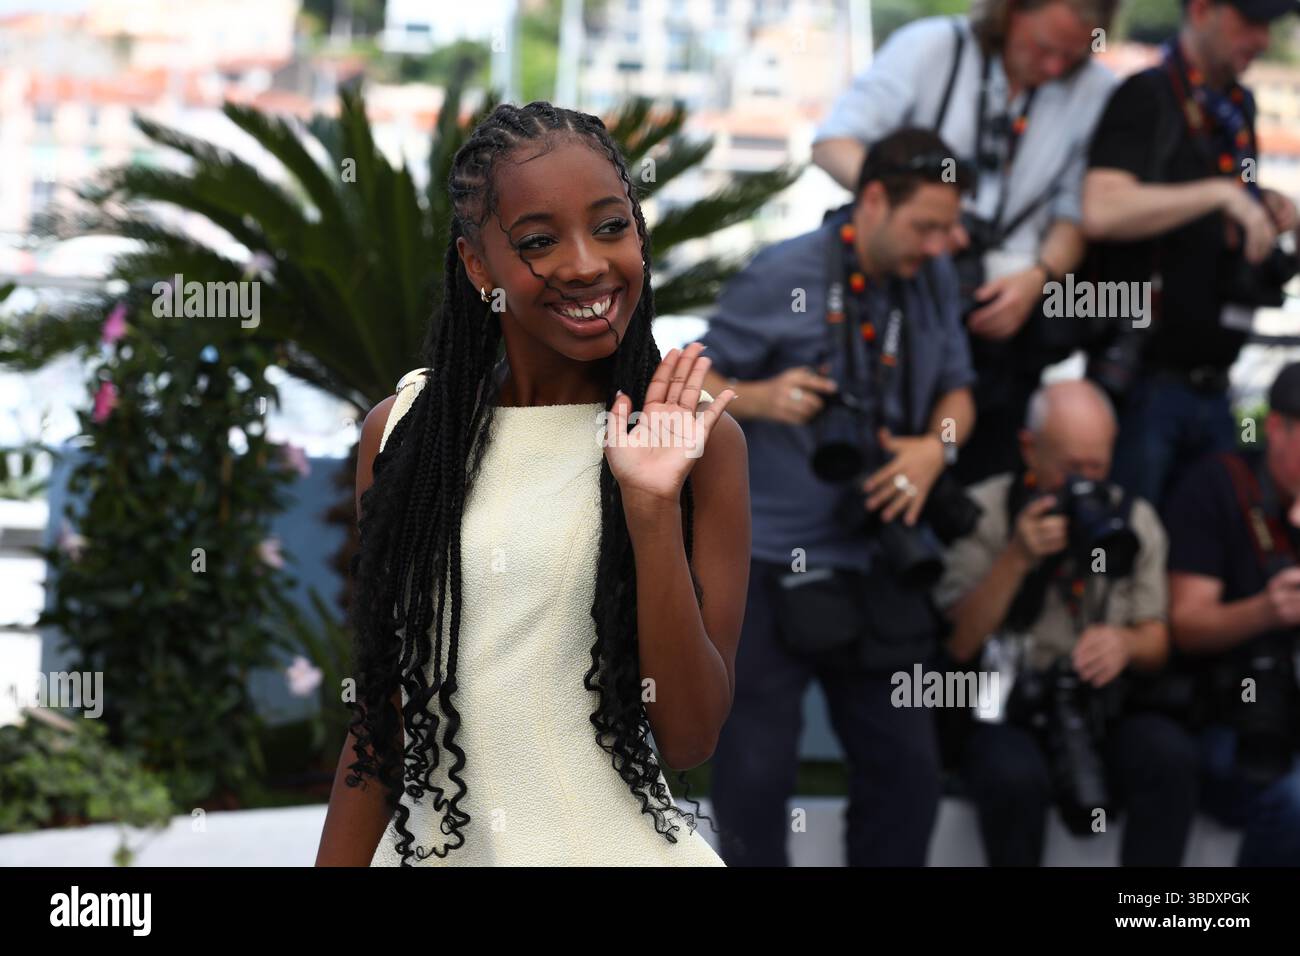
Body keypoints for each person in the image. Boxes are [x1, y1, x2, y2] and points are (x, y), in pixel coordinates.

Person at [314, 102, 752, 866]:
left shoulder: (696, 444)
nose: (586, 263)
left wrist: (649, 510)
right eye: (540, 241)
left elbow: (688, 735)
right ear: (478, 266)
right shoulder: (405, 433)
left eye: (612, 226)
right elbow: (380, 722)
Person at [692, 127, 977, 866]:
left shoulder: (934, 276)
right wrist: (759, 395)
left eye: (951, 227)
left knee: (908, 772)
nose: (943, 244)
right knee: (755, 772)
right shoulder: (782, 271)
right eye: (927, 226)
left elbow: (959, 392)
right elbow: (691, 386)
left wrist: (933, 446)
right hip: (768, 562)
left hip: (881, 552)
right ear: (873, 200)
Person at [812, 0, 1119, 486]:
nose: (1054, 67)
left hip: (1006, 324)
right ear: (1009, 13)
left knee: (982, 478)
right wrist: (920, 216)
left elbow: (1074, 214)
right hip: (900, 306)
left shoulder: (1096, 89)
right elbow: (834, 144)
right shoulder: (933, 47)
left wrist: (1038, 278)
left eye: (1073, 55)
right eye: (1043, 48)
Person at [936, 379, 1198, 866]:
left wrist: (1125, 644)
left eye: (1096, 467)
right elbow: (958, 643)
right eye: (1070, 469)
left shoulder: (1133, 521)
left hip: (1098, 707)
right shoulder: (985, 513)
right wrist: (1016, 559)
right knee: (1012, 778)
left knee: (1169, 758)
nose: (1085, 483)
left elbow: (1157, 639)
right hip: (1008, 708)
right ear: (1029, 450)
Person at [1082, 0, 1300, 511]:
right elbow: (1101, 209)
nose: (1262, 40)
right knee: (1126, 548)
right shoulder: (1146, 95)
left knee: (1207, 553)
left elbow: (1233, 188)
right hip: (1144, 383)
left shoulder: (1236, 105)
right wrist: (1220, 195)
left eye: (1269, 26)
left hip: (1218, 385)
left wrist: (1263, 203)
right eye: (1250, 22)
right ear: (1202, 10)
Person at [1163, 362, 1300, 866]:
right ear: (1276, 428)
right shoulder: (1221, 486)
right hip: (1237, 721)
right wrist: (1267, 610)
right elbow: (1186, 625)